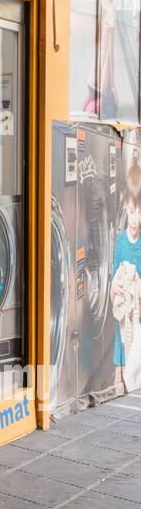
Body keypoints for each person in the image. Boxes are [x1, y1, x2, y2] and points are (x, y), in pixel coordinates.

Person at [111, 164, 141, 392]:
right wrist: (116, 290)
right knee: (122, 332)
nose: (134, 219)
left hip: (138, 309)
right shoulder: (122, 241)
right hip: (126, 310)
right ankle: (120, 376)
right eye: (131, 212)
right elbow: (114, 275)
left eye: (138, 213)